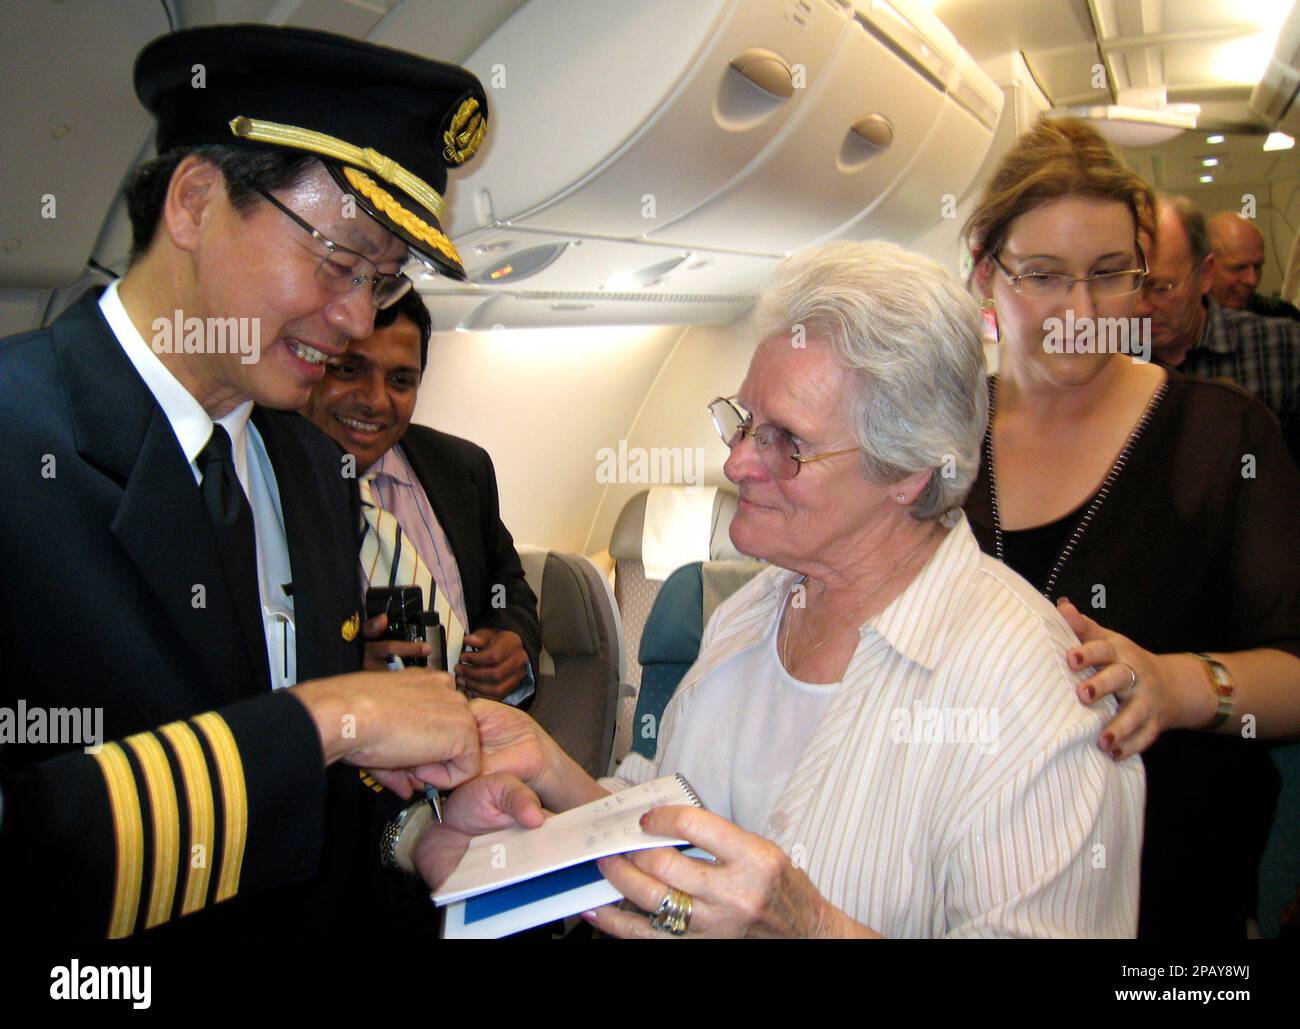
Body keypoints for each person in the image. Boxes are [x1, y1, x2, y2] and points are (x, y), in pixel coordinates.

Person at [418, 240, 1146, 938]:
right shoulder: (754, 609)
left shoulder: (1039, 701)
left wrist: (811, 929)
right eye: (743, 421)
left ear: (909, 472)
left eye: (785, 443)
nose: (737, 462)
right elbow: (675, 811)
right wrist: (553, 772)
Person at [0, 25, 494, 938]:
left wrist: (416, 838)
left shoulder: (306, 464)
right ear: (195, 202)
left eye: (381, 282)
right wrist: (329, 717)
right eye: (340, 261)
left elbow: (299, 798)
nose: (352, 321)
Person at [960, 118, 1300, 939]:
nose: (1082, 309)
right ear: (984, 278)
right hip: (967, 886)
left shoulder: (1223, 436)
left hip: (1171, 898)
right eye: (1043, 275)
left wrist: (1179, 686)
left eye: (1111, 275)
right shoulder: (939, 437)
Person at [302, 290, 540, 704]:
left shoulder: (462, 468)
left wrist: (512, 638)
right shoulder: (261, 485)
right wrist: (343, 678)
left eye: (400, 381)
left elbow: (508, 584)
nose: (375, 400)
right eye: (348, 370)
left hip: (471, 743)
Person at [1144, 196, 1300, 460]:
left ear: (1204, 275)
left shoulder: (1282, 347)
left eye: (1161, 289)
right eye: (1130, 286)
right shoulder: (1108, 357)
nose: (1139, 307)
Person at [1207, 211, 1300, 320]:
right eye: (1239, 268)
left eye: (1257, 266)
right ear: (1207, 268)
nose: (1252, 280)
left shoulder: (1283, 318)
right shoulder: (1187, 325)